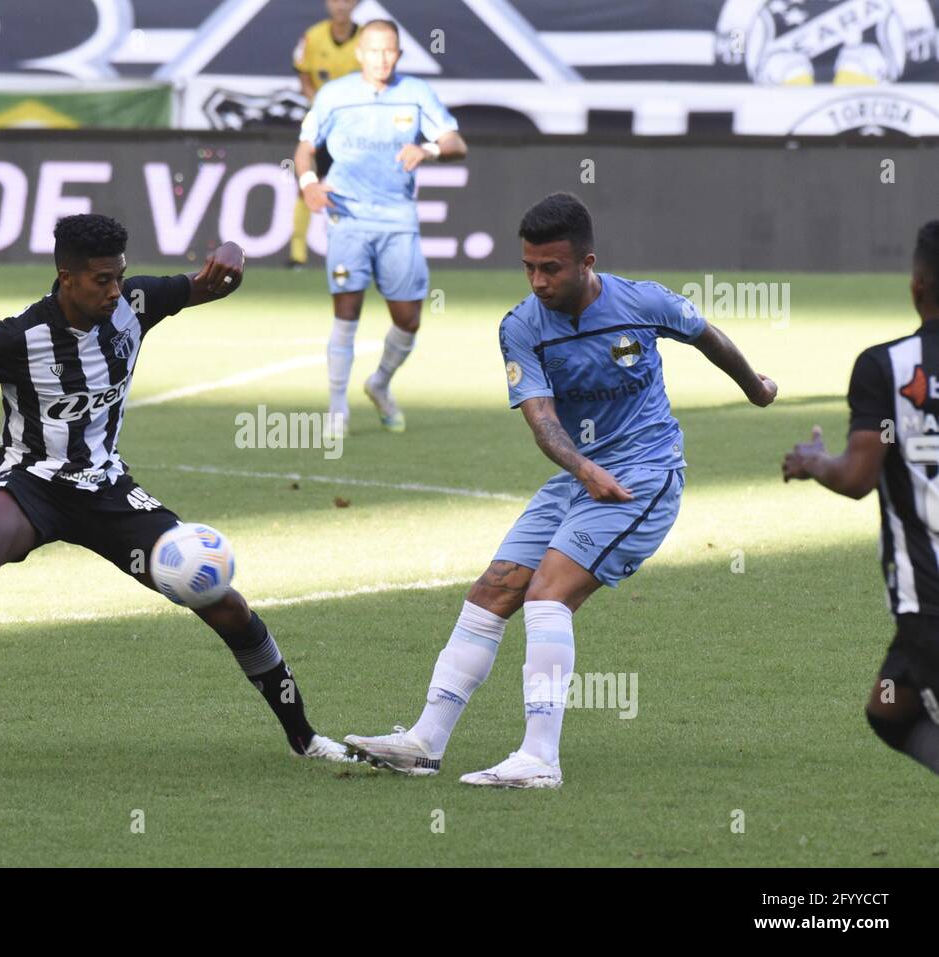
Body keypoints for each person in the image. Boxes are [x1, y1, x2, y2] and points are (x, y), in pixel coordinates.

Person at [0, 214, 353, 763]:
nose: (115, 289)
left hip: (106, 486)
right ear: (66, 277)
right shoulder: (16, 337)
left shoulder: (135, 304)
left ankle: (305, 739)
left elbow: (213, 282)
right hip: (33, 481)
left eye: (120, 275)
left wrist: (234, 251)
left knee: (224, 604)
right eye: (102, 280)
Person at [345, 193, 777, 787]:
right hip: (578, 475)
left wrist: (756, 388)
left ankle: (539, 760)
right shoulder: (521, 326)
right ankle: (425, 742)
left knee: (547, 596)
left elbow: (707, 335)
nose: (538, 281)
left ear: (586, 262)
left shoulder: (642, 302)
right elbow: (543, 422)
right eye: (528, 267)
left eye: (551, 268)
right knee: (494, 590)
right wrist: (582, 470)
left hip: (643, 475)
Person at [782, 220, 939, 776]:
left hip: (930, 595)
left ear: (917, 284)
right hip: (923, 608)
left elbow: (856, 477)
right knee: (890, 709)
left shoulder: (887, 367)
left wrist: (811, 461)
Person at [294, 18, 467, 437]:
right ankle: (338, 409)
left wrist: (426, 149)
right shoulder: (336, 95)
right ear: (359, 54)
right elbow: (304, 149)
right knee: (346, 311)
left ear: (400, 54)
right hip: (347, 216)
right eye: (373, 51)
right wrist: (309, 183)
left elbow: (456, 144)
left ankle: (379, 384)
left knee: (408, 319)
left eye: (389, 51)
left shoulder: (415, 93)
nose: (381, 59)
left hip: (397, 220)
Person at [288, 0, 359, 270]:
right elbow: (304, 76)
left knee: (355, 187)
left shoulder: (367, 40)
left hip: (356, 127)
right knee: (306, 182)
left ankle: (354, 254)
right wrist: (322, 105)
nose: (340, 5)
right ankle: (297, 255)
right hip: (322, 123)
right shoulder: (313, 37)